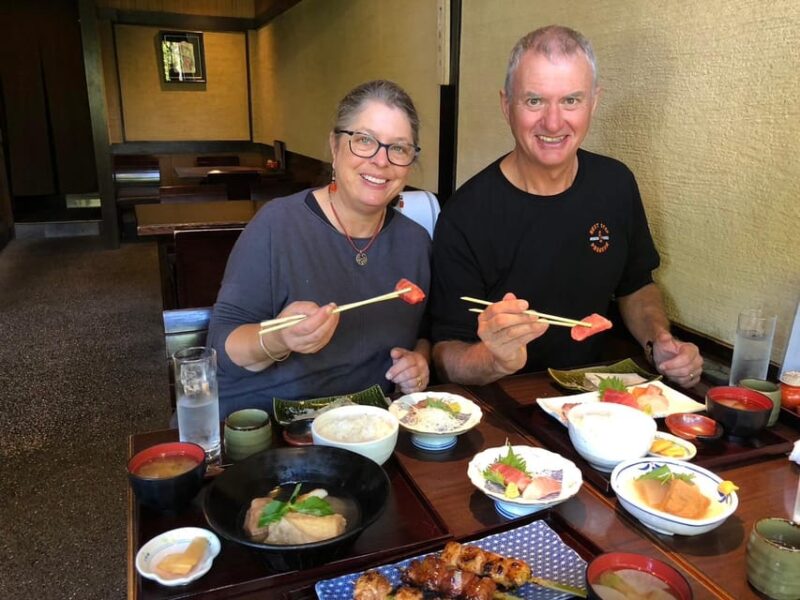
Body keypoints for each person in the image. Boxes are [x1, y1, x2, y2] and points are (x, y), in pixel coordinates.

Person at [430, 25, 703, 387]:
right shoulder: (465, 215)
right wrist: (494, 359)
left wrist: (659, 342)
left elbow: (635, 286)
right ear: (506, 105)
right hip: (507, 406)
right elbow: (445, 355)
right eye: (535, 101)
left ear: (594, 102)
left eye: (571, 100)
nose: (554, 122)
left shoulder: (616, 184)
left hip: (597, 393)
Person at [208, 80, 431, 419]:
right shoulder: (277, 224)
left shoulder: (415, 242)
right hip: (263, 421)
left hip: (366, 425)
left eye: (398, 148)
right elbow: (221, 348)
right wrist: (279, 338)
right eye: (365, 141)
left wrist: (420, 362)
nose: (381, 160)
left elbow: (426, 334)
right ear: (334, 145)